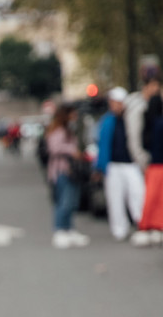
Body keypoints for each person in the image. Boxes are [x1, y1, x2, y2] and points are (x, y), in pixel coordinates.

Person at [95, 87, 146, 241]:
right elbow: (102, 145)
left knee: (138, 194)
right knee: (115, 198)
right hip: (113, 165)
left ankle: (142, 224)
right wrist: (99, 166)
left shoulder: (132, 118)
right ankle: (119, 228)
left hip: (131, 163)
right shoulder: (107, 121)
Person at [126, 64, 162, 245]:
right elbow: (135, 137)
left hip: (152, 159)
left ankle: (153, 226)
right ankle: (146, 226)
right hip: (146, 160)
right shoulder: (139, 107)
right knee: (146, 196)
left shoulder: (152, 107)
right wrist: (142, 160)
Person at [45, 104, 89, 249]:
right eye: (72, 114)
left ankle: (69, 229)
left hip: (72, 171)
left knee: (72, 201)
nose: (75, 117)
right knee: (64, 202)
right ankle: (59, 230)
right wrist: (72, 150)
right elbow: (54, 148)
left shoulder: (68, 130)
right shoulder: (58, 130)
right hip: (62, 171)